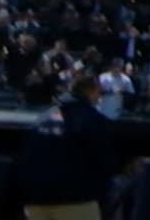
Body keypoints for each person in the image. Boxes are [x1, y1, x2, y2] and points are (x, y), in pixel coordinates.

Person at [14, 73, 118, 220]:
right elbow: (104, 161)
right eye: (98, 91)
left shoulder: (42, 118)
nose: (99, 96)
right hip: (75, 201)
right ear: (90, 91)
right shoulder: (91, 119)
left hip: (35, 201)